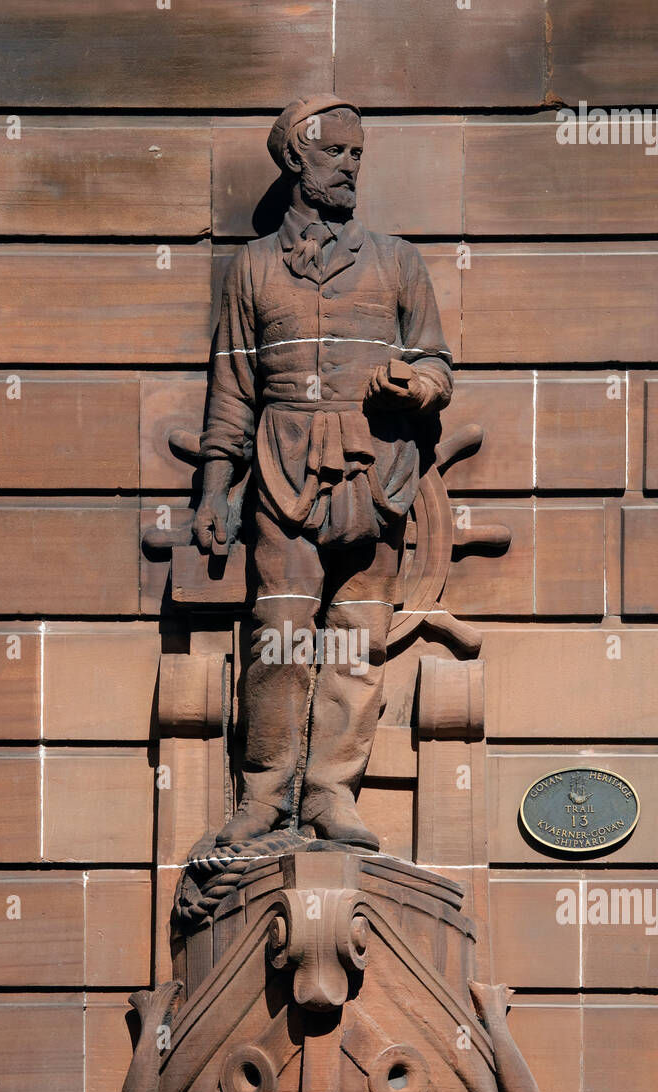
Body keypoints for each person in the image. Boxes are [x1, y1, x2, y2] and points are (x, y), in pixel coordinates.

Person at [193, 94, 453, 851]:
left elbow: (435, 358)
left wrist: (419, 385)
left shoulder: (397, 259)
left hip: (374, 472)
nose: (350, 166)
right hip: (281, 472)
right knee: (278, 632)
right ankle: (265, 797)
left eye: (358, 154)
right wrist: (214, 487)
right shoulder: (251, 269)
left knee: (357, 639)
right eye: (337, 152)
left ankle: (332, 794)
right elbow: (232, 386)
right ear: (295, 158)